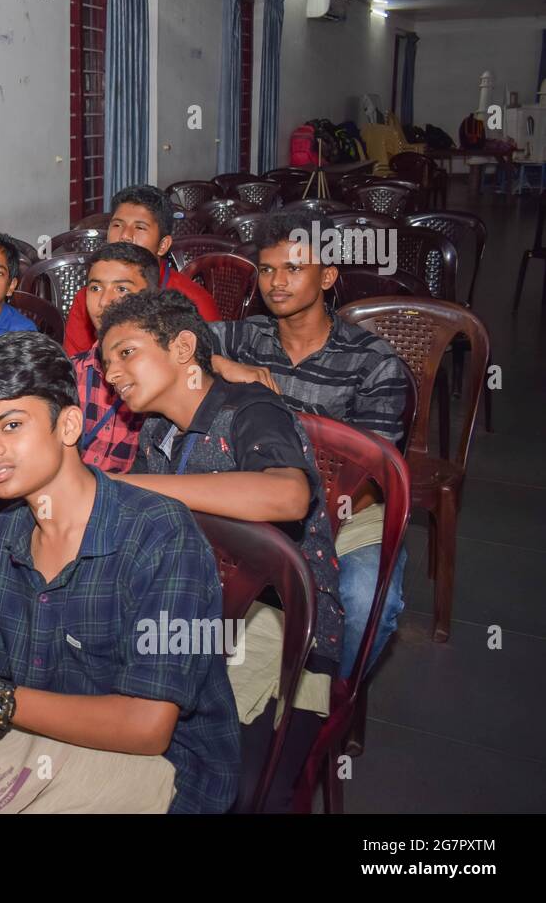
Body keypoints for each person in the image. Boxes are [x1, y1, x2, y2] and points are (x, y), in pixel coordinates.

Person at [0, 331, 240, 814]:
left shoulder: (161, 534)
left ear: (69, 425)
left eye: (11, 425)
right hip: (39, 739)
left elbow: (147, 726)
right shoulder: (8, 534)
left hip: (165, 773)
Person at [98, 290, 343, 810]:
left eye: (125, 352)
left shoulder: (250, 408)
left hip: (282, 627)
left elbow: (288, 495)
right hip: (193, 612)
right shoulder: (158, 430)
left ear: (183, 347)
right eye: (105, 363)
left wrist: (133, 487)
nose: (112, 372)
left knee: (238, 787)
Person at [209, 211, 411, 676]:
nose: (276, 283)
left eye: (294, 269)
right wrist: (223, 363)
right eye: (267, 269)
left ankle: (330, 701)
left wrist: (308, 524)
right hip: (255, 494)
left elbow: (372, 476)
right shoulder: (245, 338)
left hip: (348, 505)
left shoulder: (372, 363)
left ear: (328, 276)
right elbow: (170, 341)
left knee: (365, 599)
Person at [63, 185, 220, 355]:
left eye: (139, 228)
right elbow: (75, 365)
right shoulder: (91, 298)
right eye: (117, 225)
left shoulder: (194, 302)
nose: (125, 236)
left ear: (163, 245)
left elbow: (206, 370)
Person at [71, 241, 158, 475]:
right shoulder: (70, 373)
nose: (104, 302)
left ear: (150, 299)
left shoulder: (163, 379)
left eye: (121, 290)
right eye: (95, 288)